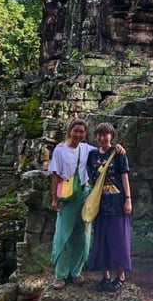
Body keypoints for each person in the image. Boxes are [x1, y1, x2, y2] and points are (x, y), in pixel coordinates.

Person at [48, 118, 125, 289]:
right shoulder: (60, 150)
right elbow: (55, 175)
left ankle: (75, 272)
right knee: (63, 235)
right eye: (75, 131)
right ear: (70, 131)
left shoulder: (87, 149)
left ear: (85, 134)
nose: (78, 134)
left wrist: (118, 147)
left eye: (82, 132)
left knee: (83, 236)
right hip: (67, 197)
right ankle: (60, 275)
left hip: (84, 194)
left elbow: (104, 149)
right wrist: (54, 197)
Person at [86, 122, 132, 292]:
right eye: (99, 134)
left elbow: (124, 177)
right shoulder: (91, 155)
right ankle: (105, 276)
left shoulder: (119, 153)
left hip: (117, 202)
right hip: (100, 203)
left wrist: (128, 199)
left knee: (118, 239)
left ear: (111, 136)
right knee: (101, 239)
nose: (102, 138)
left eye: (105, 134)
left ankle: (120, 275)